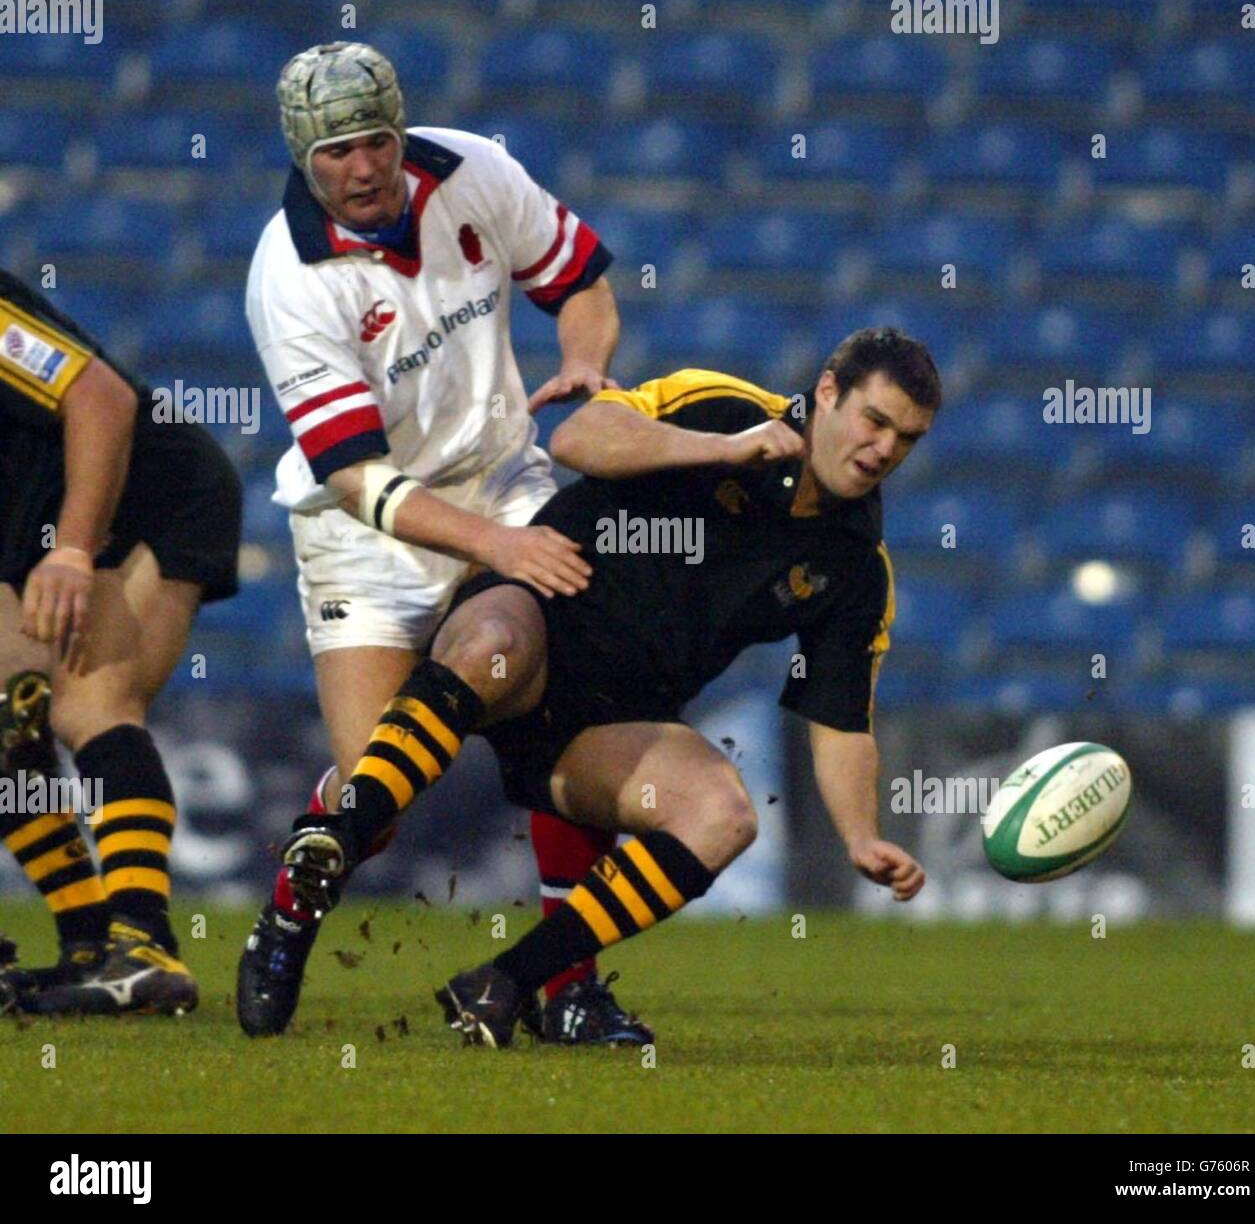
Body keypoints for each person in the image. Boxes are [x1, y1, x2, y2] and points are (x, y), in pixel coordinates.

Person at [274, 326, 939, 1046]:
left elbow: (841, 721)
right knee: (488, 646)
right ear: (831, 391)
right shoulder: (725, 408)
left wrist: (862, 836)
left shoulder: (856, 568)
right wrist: (721, 450)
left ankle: (503, 984)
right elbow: (580, 439)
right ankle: (337, 839)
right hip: (533, 632)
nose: (883, 451)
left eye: (906, 439)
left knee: (723, 815)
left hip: (595, 730)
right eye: (876, 421)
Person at [237, 40, 651, 1044]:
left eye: (376, 139)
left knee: (567, 718)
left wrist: (587, 363)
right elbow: (359, 476)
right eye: (336, 152)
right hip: (365, 534)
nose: (364, 167)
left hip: (506, 487)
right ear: (303, 155)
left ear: (401, 128)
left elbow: (581, 274)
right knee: (377, 799)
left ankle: (566, 987)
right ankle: (295, 904)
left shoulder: (473, 170)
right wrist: (495, 551)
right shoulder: (289, 278)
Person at [0, 267, 242, 1014]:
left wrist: (71, 550)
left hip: (149, 491)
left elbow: (99, 397)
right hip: (34, 521)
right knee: (7, 720)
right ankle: (89, 944)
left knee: (88, 705)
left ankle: (143, 947)